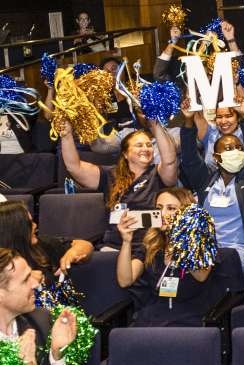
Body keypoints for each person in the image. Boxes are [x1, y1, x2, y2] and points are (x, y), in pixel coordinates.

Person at [59, 118, 178, 249]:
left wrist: (155, 124)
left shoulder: (158, 174)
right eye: (139, 145)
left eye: (149, 145)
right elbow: (74, 167)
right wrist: (66, 135)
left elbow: (169, 161)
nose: (146, 148)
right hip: (115, 246)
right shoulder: (111, 174)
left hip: (151, 247)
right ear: (125, 154)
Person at [115, 188, 225, 326]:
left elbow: (201, 275)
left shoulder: (202, 241)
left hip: (190, 319)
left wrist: (181, 237)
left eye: (171, 208)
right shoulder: (151, 243)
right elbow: (125, 280)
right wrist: (126, 241)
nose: (162, 214)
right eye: (159, 208)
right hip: (153, 318)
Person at [178, 98, 244, 264]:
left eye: (239, 148)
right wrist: (188, 120)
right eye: (228, 149)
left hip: (240, 255)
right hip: (207, 255)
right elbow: (189, 158)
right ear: (216, 157)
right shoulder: (206, 180)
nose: (236, 152)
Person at [0, 247, 80, 365]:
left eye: (31, 275)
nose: (35, 284)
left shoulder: (40, 321)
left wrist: (58, 356)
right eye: (25, 280)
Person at [0, 201, 93, 280]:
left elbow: (85, 245)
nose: (35, 225)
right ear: (15, 230)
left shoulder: (45, 244)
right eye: (29, 224)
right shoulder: (3, 262)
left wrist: (72, 254)